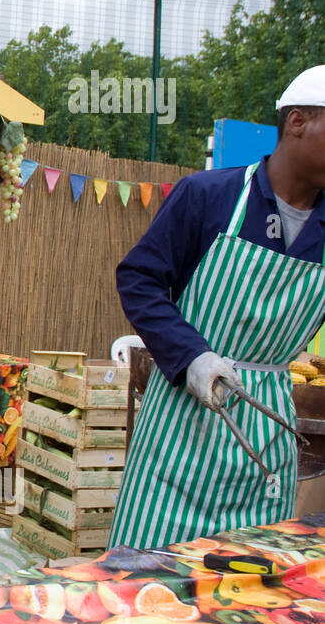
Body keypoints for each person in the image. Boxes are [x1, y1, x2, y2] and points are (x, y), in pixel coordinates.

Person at [109, 65, 325, 550]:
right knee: (145, 581)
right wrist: (192, 356)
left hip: (265, 438)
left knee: (248, 595)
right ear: (296, 122)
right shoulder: (210, 197)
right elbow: (139, 278)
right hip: (181, 429)